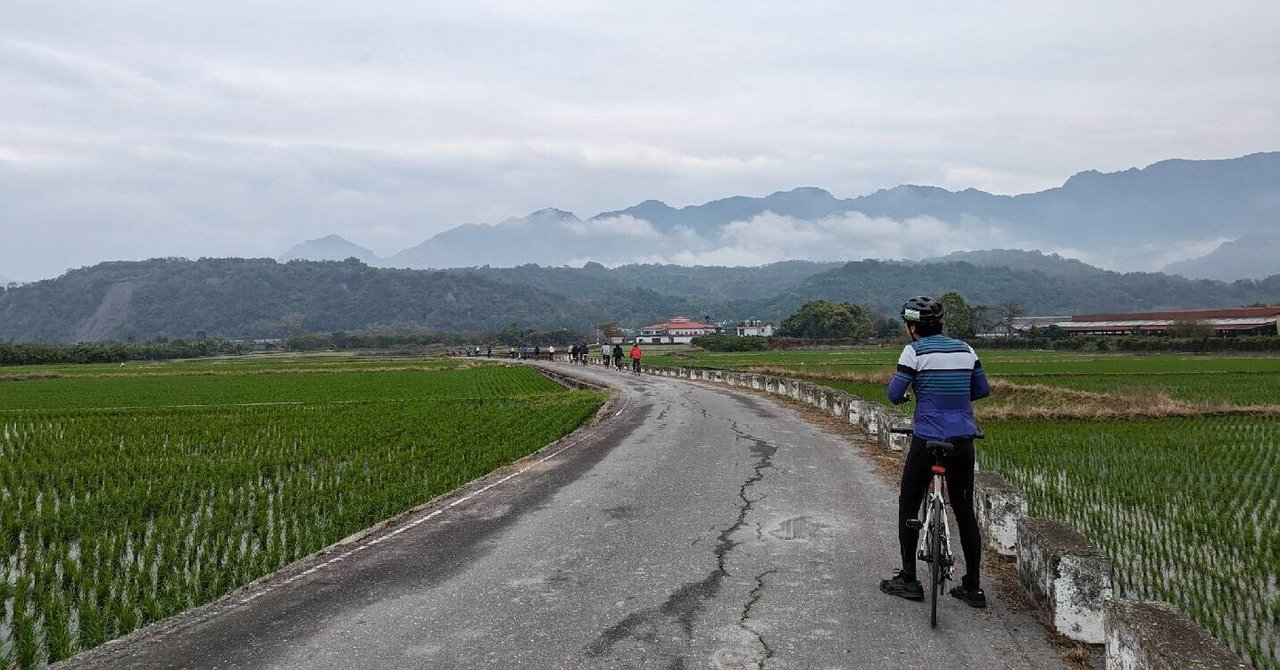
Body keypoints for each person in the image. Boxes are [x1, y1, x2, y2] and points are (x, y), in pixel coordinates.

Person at [879, 296, 991, 608]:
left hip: (927, 440)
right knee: (965, 510)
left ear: (912, 327)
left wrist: (910, 397)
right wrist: (954, 399)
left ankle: (910, 580)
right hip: (962, 442)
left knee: (909, 505)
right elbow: (982, 389)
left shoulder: (914, 351)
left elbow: (893, 393)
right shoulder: (966, 349)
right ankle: (973, 588)